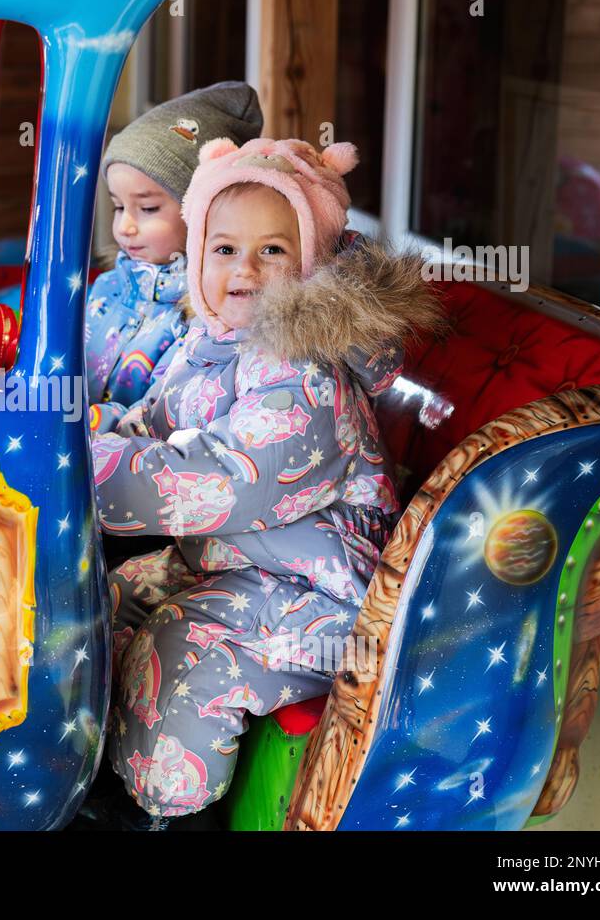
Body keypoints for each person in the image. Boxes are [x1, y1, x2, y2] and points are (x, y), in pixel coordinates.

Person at [90, 136, 445, 817]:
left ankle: (165, 800)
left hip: (322, 598)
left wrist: (85, 473)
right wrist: (87, 435)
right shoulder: (211, 342)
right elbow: (152, 424)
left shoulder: (305, 378)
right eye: (224, 250)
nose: (244, 269)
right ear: (197, 258)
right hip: (231, 566)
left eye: (272, 251)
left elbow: (219, 482)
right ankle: (79, 758)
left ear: (311, 264)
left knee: (181, 663)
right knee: (91, 600)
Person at [87, 82, 263, 408]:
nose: (124, 226)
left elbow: (159, 415)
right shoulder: (107, 289)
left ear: (201, 212)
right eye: (118, 206)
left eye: (148, 208)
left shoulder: (203, 318)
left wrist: (74, 420)